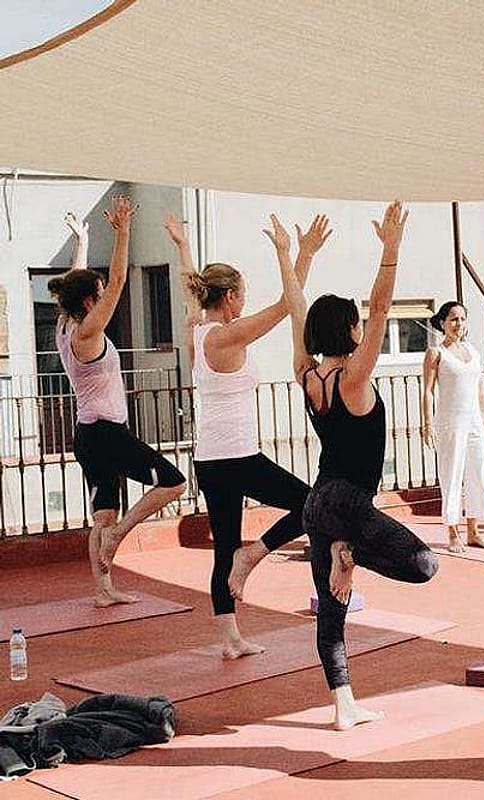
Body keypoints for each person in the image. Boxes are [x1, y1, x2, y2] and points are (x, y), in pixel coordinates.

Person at [280, 203, 438, 730]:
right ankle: (350, 554)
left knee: (332, 612)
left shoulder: (308, 377)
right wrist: (390, 251)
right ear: (347, 328)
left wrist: (293, 256)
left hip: (316, 501)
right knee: (423, 564)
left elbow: (298, 310)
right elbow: (380, 309)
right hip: (347, 503)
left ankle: (344, 706)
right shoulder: (353, 377)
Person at [172, 212, 329, 659]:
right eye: (242, 293)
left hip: (211, 457)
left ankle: (231, 640)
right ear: (231, 297)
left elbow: (191, 289)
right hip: (237, 455)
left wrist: (183, 244)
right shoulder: (224, 335)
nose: (245, 300)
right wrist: (301, 254)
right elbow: (287, 305)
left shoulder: (196, 330)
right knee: (309, 503)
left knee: (224, 544)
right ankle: (255, 554)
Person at [53, 197, 186, 606]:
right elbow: (116, 281)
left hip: (89, 434)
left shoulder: (64, 323)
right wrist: (123, 231)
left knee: (102, 515)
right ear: (92, 302)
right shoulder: (87, 334)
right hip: (108, 433)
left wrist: (82, 240)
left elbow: (78, 280)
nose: (104, 295)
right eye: (98, 294)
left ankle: (103, 590)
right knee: (174, 482)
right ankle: (122, 531)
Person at [420, 301, 484, 553]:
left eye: (463, 319)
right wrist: (427, 423)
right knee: (452, 474)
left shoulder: (472, 351)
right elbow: (428, 391)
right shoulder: (436, 353)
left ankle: (473, 530)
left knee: (479, 472)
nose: (459, 324)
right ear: (443, 323)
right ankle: (453, 532)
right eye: (453, 319)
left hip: (474, 421)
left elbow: (479, 389)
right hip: (450, 421)